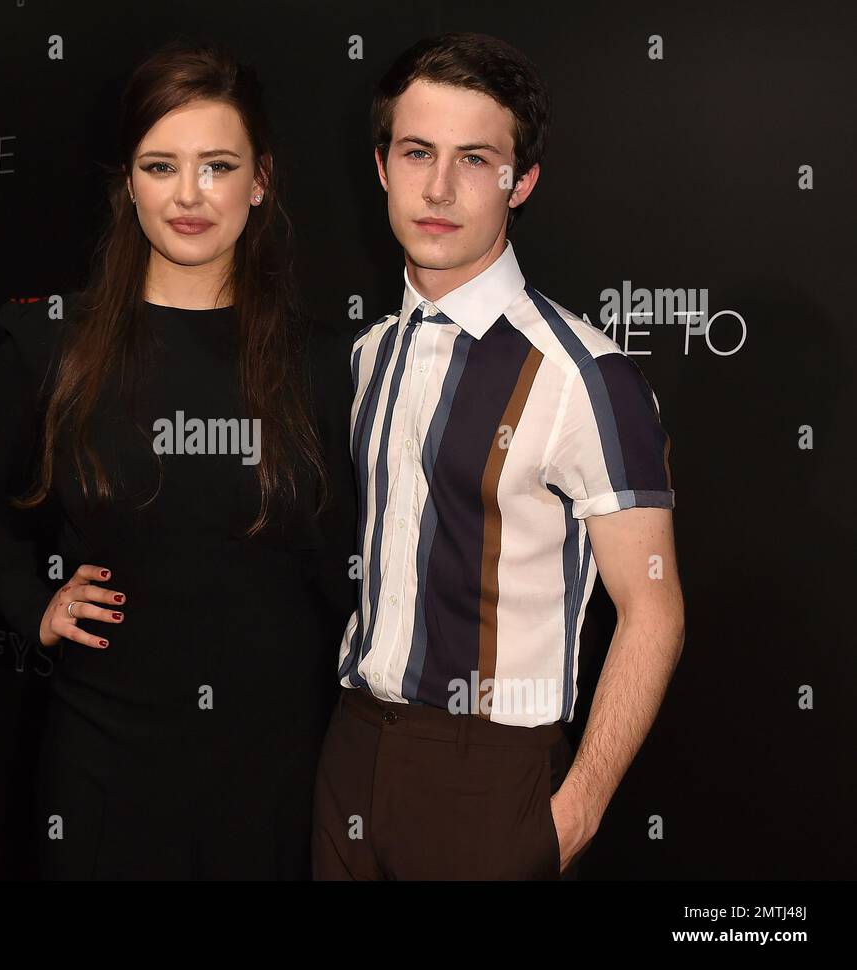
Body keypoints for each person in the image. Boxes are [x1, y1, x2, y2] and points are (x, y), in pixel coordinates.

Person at [0, 40, 357, 879]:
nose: (189, 195)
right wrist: (30, 600)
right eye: (161, 166)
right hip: (101, 755)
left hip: (278, 764)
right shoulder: (55, 342)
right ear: (129, 184)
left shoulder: (329, 364)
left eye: (218, 165)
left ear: (260, 181)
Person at [311, 32, 686, 880]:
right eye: (417, 152)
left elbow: (654, 611)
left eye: (475, 159)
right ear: (382, 167)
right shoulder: (369, 355)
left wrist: (574, 811)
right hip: (351, 749)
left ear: (522, 182)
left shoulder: (585, 375)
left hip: (491, 778)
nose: (438, 188)